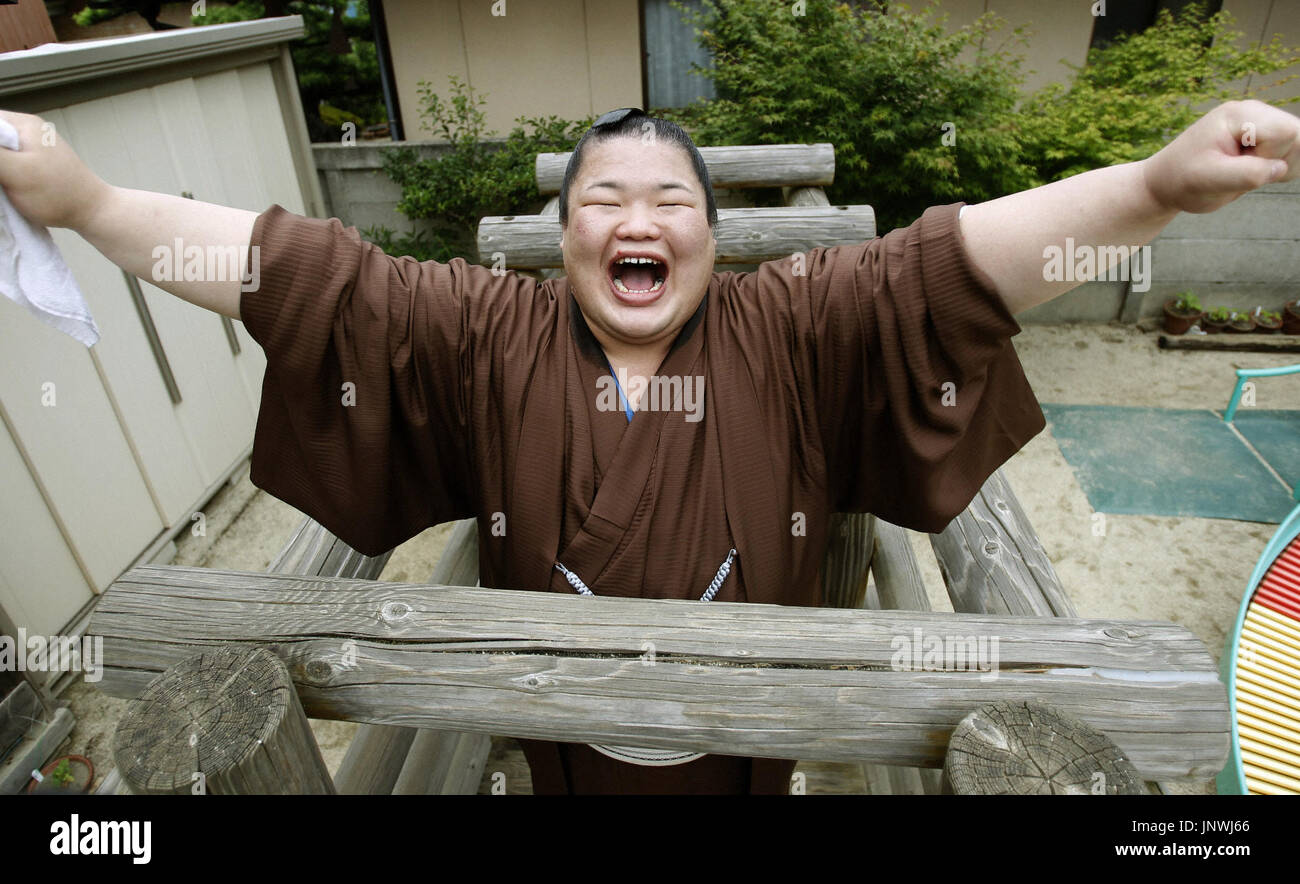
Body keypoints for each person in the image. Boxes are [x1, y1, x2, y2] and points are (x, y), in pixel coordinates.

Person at [0, 99, 1295, 794]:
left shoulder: (791, 327)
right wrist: (96, 206)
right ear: (565, 237)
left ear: (712, 238)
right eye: (601, 197)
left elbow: (944, 273)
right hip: (556, 760)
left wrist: (1158, 188)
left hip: (750, 757)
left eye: (669, 198)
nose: (636, 216)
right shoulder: (485, 331)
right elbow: (313, 281)